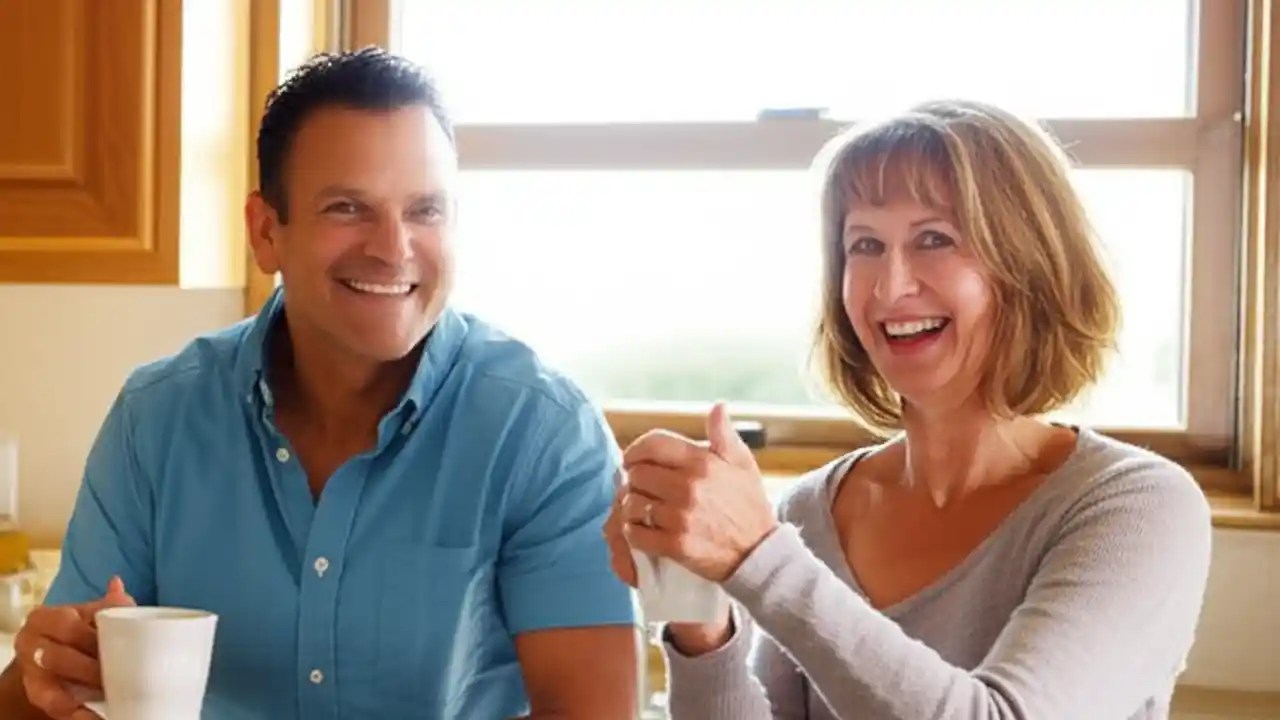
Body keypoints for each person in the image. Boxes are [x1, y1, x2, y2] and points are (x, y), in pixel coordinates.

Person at [0, 48, 639, 720]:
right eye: (347, 208)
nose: (393, 248)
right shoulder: (157, 419)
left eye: (426, 210)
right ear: (266, 230)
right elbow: (50, 690)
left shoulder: (542, 433)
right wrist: (41, 673)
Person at [605, 100, 1212, 719]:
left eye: (934, 239)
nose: (890, 287)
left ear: (1030, 265)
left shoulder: (1139, 506)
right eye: (864, 244)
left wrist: (758, 558)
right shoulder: (811, 513)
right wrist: (697, 617)